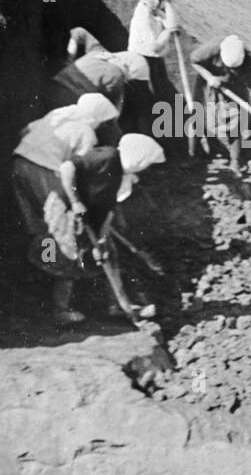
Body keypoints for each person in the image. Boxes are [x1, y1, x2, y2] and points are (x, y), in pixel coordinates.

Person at [13, 113, 163, 324]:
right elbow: (67, 168)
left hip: (88, 218)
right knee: (68, 256)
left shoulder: (121, 176)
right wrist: (75, 202)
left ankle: (117, 306)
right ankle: (60, 311)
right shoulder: (107, 157)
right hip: (66, 209)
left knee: (107, 255)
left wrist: (101, 240)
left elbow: (108, 211)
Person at [188, 35, 251, 176]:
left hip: (234, 86)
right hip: (208, 85)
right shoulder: (212, 49)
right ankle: (194, 154)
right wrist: (209, 77)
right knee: (199, 116)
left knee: (234, 120)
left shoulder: (248, 60)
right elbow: (194, 61)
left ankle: (235, 162)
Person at [127, 0, 181, 104]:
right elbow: (155, 47)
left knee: (160, 92)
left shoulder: (153, 11)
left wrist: (167, 3)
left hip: (153, 59)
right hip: (142, 59)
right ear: (145, 0)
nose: (157, 1)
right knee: (149, 96)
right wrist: (168, 31)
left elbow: (172, 23)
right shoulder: (142, 18)